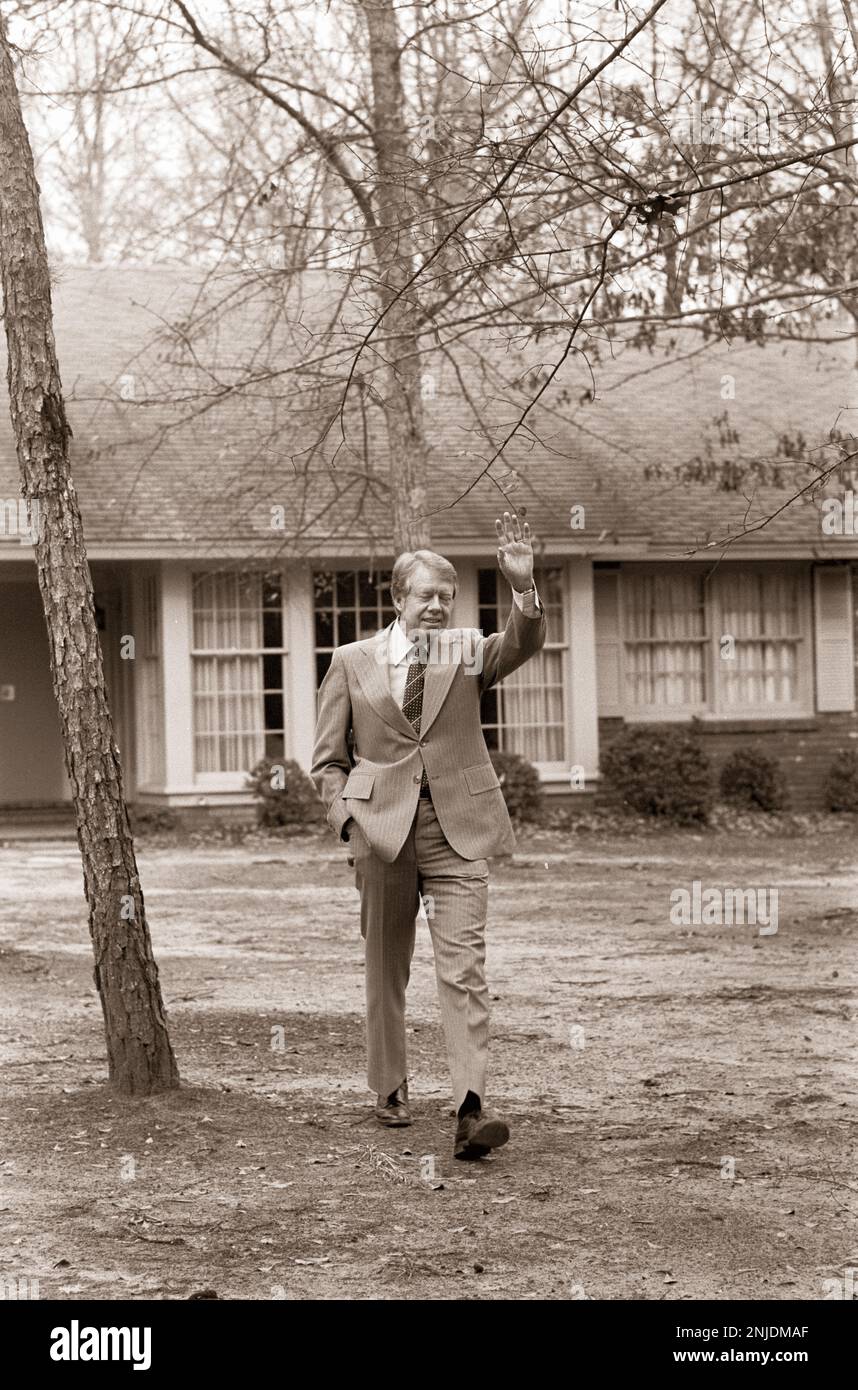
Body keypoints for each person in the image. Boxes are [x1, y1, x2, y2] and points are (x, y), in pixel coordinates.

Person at [311, 512, 546, 1159]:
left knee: (464, 969)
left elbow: (521, 644)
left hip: (459, 835)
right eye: (427, 596)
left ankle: (470, 1110)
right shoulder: (352, 662)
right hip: (381, 837)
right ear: (398, 599)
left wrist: (523, 588)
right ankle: (389, 1087)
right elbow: (327, 760)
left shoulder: (468, 653)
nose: (439, 606)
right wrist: (348, 822)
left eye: (448, 596)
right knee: (386, 969)